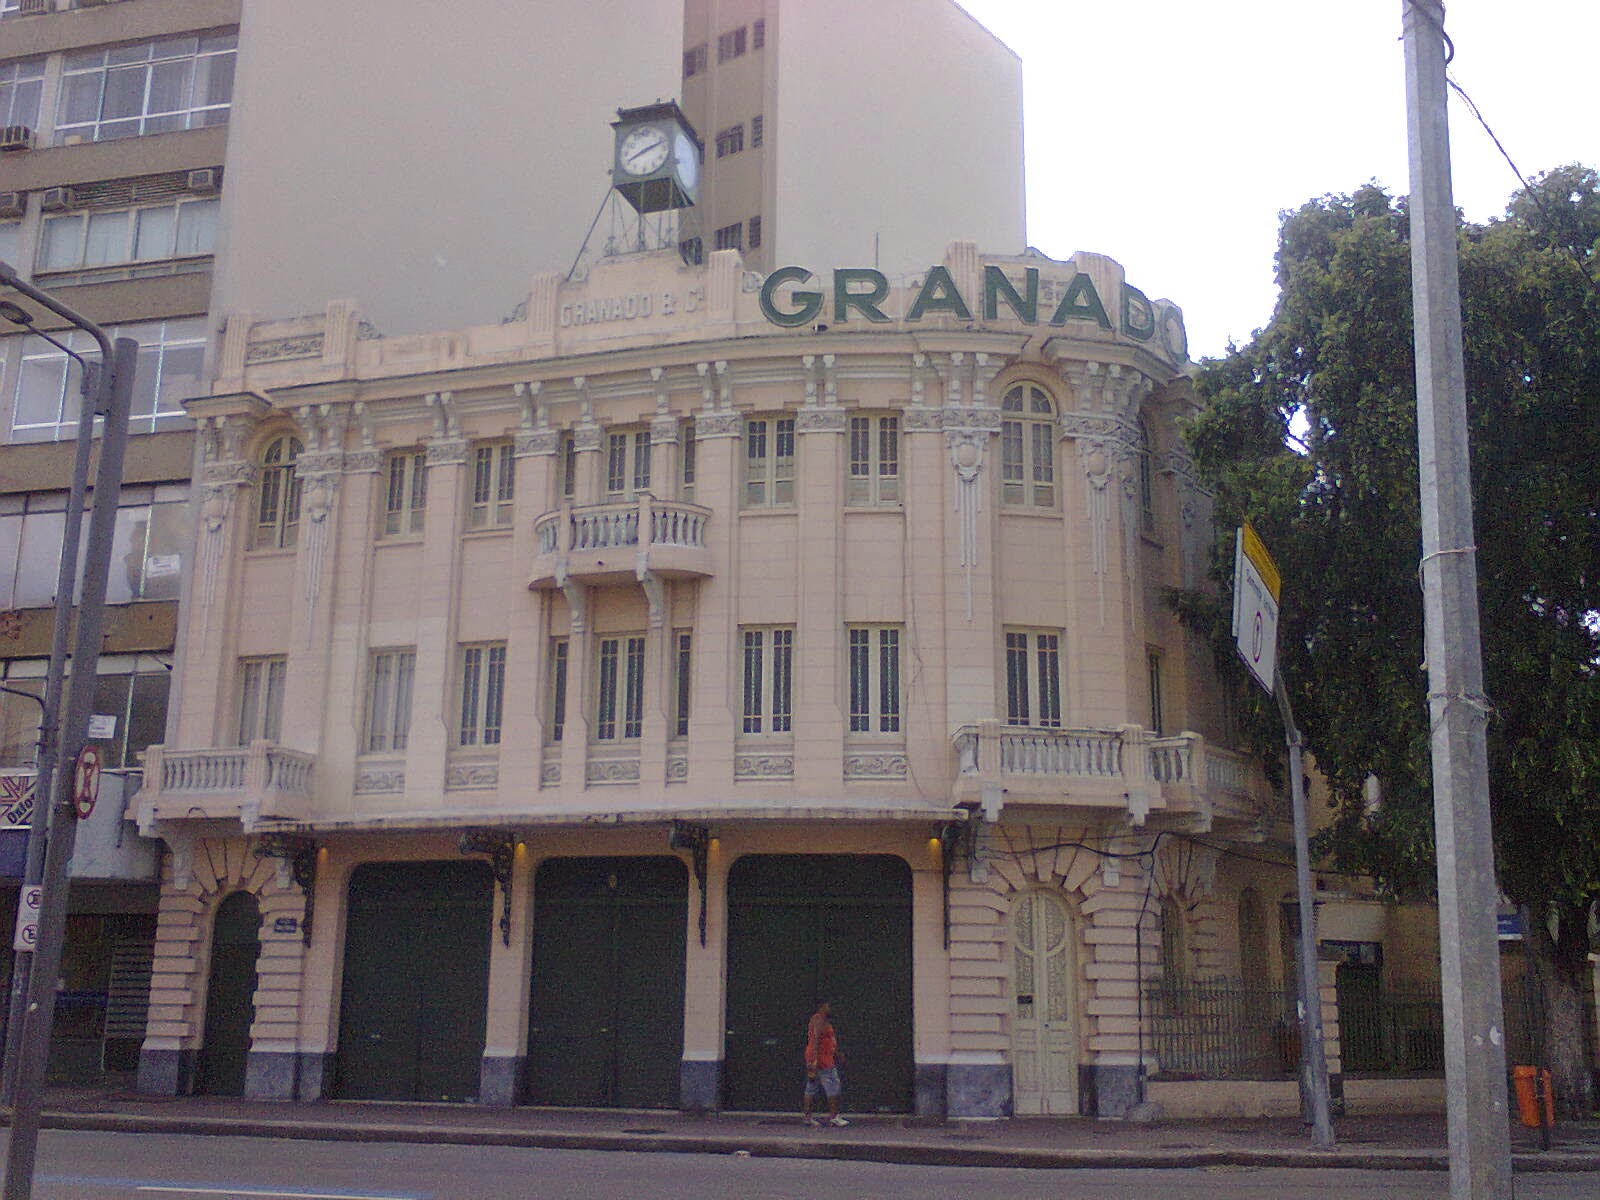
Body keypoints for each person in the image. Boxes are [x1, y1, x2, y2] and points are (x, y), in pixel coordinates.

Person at [802, 998, 848, 1127]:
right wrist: (815, 1060)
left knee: (812, 1086)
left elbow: (826, 1040)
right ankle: (834, 1116)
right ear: (822, 1006)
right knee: (833, 1086)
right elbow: (815, 1039)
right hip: (823, 1060)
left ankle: (808, 1117)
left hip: (822, 1057)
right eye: (828, 1006)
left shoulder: (822, 1020)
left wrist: (836, 1053)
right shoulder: (819, 1019)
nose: (830, 1008)